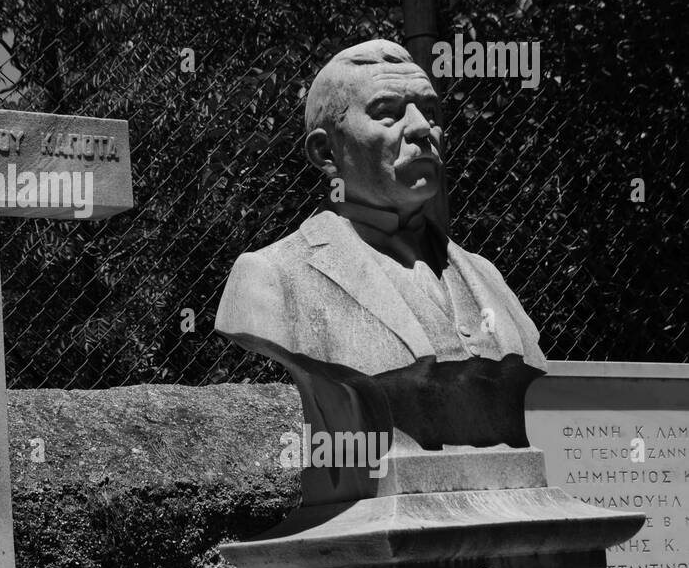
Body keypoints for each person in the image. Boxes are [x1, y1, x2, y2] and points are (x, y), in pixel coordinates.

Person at [216, 39, 545, 487]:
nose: (421, 129)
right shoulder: (271, 277)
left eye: (430, 112)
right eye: (388, 112)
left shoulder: (485, 276)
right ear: (325, 153)